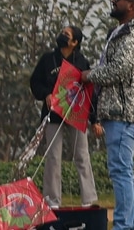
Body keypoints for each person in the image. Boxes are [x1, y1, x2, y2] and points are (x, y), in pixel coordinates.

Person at [82, 0, 134, 230]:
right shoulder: (120, 32)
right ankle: (130, 225)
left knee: (121, 170)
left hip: (126, 111)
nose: (114, 1)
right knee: (124, 170)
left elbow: (118, 69)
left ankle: (123, 225)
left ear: (132, 6)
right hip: (118, 111)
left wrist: (89, 75)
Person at [29, 24, 97, 209]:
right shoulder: (47, 59)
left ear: (75, 42)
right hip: (53, 115)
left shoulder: (81, 62)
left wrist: (94, 120)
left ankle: (89, 199)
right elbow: (34, 82)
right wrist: (46, 94)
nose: (62, 36)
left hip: (77, 115)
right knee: (53, 157)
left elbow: (90, 92)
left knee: (82, 156)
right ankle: (52, 200)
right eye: (62, 33)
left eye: (66, 35)